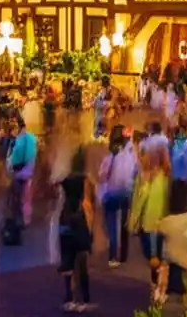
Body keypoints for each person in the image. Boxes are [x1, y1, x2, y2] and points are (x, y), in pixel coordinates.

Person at [130, 147, 171, 306]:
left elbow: (139, 200)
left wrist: (133, 221)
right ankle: (159, 287)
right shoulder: (160, 177)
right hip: (154, 223)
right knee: (154, 258)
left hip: (151, 223)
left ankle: (158, 289)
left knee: (154, 258)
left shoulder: (153, 178)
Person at [57, 148, 94, 312]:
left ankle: (68, 298)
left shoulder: (65, 179)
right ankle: (83, 300)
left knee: (67, 261)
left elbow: (60, 199)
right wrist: (90, 229)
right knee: (82, 263)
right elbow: (87, 204)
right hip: (79, 222)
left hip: (65, 220)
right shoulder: (86, 180)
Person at [98, 129, 137, 267]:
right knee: (124, 223)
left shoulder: (109, 158)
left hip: (112, 194)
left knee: (112, 225)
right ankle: (124, 255)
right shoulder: (131, 157)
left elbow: (102, 177)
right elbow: (135, 173)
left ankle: (113, 256)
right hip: (126, 193)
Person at [7, 115, 37, 227]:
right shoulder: (32, 138)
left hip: (20, 172)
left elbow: (16, 157)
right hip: (29, 172)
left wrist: (11, 167)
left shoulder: (20, 139)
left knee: (17, 197)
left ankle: (18, 219)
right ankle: (26, 218)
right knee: (27, 197)